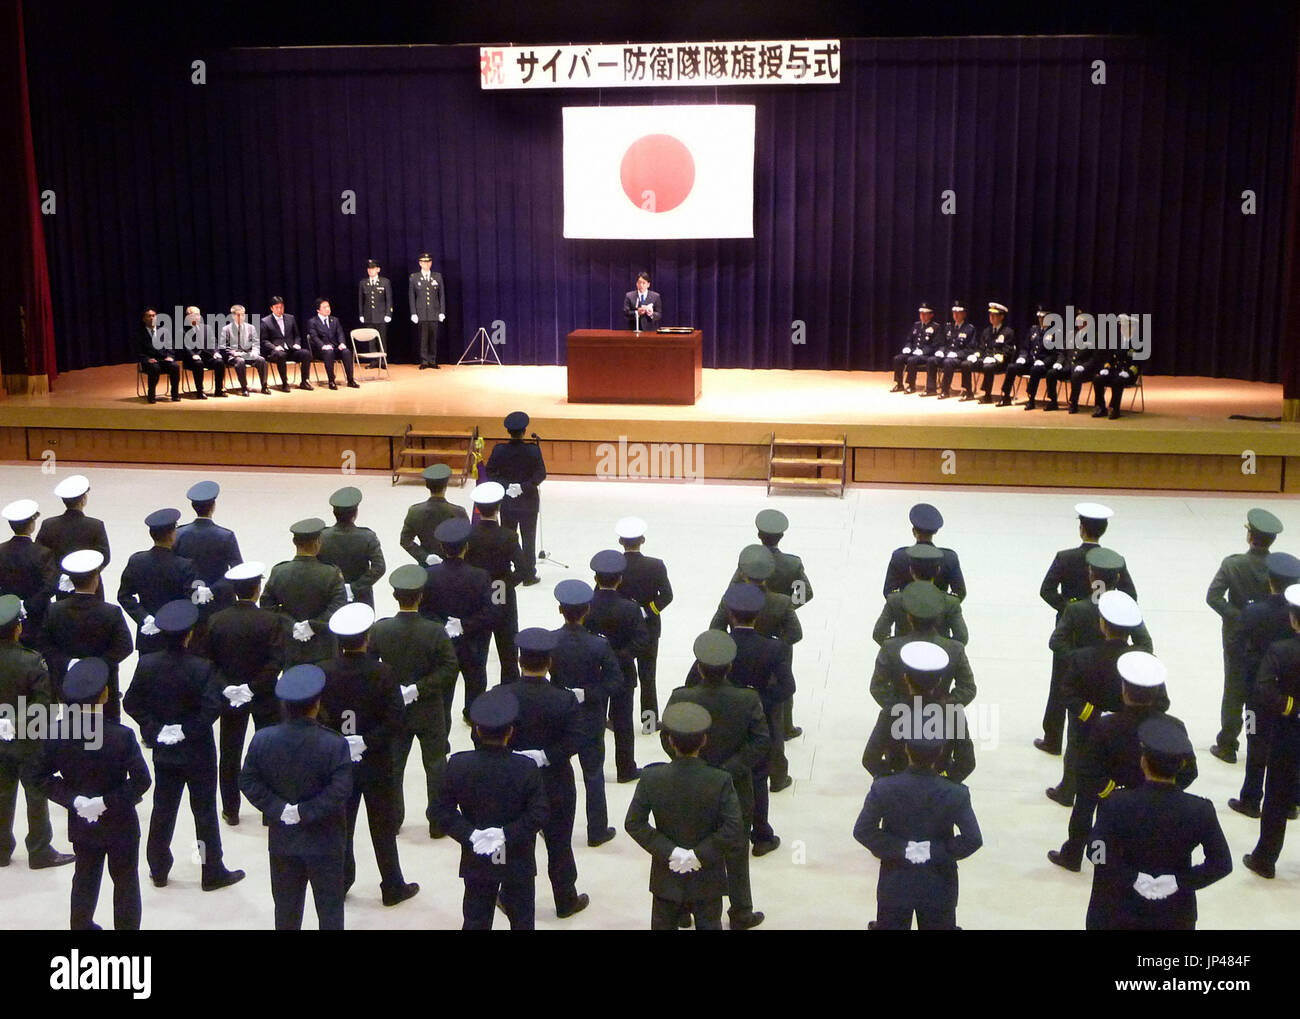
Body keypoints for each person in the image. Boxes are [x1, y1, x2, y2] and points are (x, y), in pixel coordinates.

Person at [122, 599, 244, 891]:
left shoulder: (147, 664)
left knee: (163, 810)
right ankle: (210, 869)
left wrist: (157, 729)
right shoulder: (203, 668)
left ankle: (158, 868)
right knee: (204, 813)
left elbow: (131, 703)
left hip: (165, 752)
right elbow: (211, 709)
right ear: (189, 635)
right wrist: (186, 731)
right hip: (198, 753)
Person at [34, 658, 151, 930]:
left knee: (84, 879)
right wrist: (106, 802)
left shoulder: (56, 734)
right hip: (121, 823)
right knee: (125, 881)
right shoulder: (121, 736)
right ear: (105, 695)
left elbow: (39, 778)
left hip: (82, 823)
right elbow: (142, 781)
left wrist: (74, 800)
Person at [663, 630, 769, 930]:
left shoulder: (681, 697)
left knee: (688, 845)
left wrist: (694, 763)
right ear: (730, 667)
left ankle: (683, 909)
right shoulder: (747, 698)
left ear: (698, 667)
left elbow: (666, 737)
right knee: (736, 848)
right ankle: (741, 911)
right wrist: (729, 768)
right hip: (734, 784)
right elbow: (761, 742)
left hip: (689, 784)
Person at [1051, 650, 1191, 874]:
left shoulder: (1106, 726)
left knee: (1085, 807)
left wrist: (1113, 792)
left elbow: (1088, 772)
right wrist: (1158, 789)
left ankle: (1073, 854)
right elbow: (1189, 771)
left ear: (1124, 690)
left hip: (1110, 799)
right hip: (1150, 802)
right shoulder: (1174, 726)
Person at [318, 603, 419, 906]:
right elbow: (396, 720)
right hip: (376, 761)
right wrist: (367, 741)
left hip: (339, 762)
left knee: (342, 825)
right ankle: (392, 884)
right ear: (367, 638)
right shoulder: (382, 672)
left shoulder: (324, 671)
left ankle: (341, 881)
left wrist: (342, 742)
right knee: (382, 825)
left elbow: (318, 716)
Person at [1087, 715, 1231, 929]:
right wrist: (1179, 882)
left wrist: (1132, 878)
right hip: (1173, 914)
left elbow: (1096, 852)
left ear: (1143, 762)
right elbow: (1221, 864)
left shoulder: (1115, 803)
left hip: (1119, 909)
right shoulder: (1200, 810)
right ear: (1181, 766)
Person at [239, 664, 353, 930]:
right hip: (325, 842)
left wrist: (280, 808)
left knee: (286, 914)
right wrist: (306, 811)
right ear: (317, 704)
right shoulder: (334, 744)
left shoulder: (263, 740)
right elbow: (340, 790)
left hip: (283, 841)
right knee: (330, 913)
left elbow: (247, 781)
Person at [435, 686, 548, 929]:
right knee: (523, 921)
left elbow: (439, 811)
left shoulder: (458, 764)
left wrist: (471, 834)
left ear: (477, 730)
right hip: (518, 858)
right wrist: (507, 834)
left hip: (477, 857)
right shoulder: (526, 767)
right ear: (510, 732)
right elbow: (539, 814)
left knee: (476, 920)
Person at [625, 702, 744, 930]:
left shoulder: (652, 777)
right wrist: (699, 854)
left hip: (667, 875)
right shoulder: (720, 780)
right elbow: (733, 826)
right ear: (704, 740)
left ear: (670, 741)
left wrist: (670, 851)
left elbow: (634, 823)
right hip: (707, 877)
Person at [1036, 503, 1138, 754]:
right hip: (1106, 632)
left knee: (1061, 684)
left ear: (1081, 528)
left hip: (1070, 631)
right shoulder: (1115, 561)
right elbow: (1131, 595)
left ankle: (1052, 738)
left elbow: (1047, 590)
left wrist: (1068, 607)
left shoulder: (1065, 557)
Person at [854, 736, 983, 930]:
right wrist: (931, 851)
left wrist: (903, 848)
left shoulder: (883, 787)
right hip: (939, 884)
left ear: (907, 750)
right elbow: (973, 839)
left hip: (895, 882)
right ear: (940, 753)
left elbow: (863, 830)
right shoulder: (956, 793)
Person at [504, 627, 589, 918]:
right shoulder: (564, 699)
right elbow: (576, 740)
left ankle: (512, 898)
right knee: (559, 842)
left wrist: (514, 756)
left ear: (519, 661)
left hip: (514, 783)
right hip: (556, 781)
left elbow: (483, 738)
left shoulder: (503, 695)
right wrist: (545, 755)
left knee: (516, 844)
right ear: (549, 662)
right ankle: (565, 900)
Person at [371, 564, 458, 838]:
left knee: (394, 766)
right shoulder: (435, 631)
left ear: (395, 596)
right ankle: (437, 822)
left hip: (394, 710)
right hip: (430, 708)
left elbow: (371, 668)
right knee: (435, 765)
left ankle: (393, 819)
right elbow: (450, 668)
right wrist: (419, 688)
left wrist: (393, 689)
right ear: (421, 596)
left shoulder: (380, 630)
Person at [1047, 590, 1146, 823]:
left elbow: (1066, 693)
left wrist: (1091, 713)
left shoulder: (1083, 658)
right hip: (1127, 736)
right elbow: (1162, 702)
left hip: (1087, 730)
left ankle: (1074, 844)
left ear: (1102, 624)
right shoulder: (1139, 661)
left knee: (1085, 800)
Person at [200, 561, 285, 826]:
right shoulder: (270, 620)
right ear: (257, 589)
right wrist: (253, 687)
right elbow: (276, 662)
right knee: (269, 752)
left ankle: (230, 809)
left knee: (229, 753)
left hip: (230, 698)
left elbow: (208, 662)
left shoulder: (216, 620)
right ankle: (269, 811)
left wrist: (227, 686)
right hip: (265, 696)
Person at [0, 594, 74, 869]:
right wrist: (16, 723)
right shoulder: (32, 661)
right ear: (18, 628)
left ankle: (1, 850)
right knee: (36, 793)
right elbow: (43, 705)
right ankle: (40, 850)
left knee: (2, 795)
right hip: (29, 740)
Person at [548, 579, 624, 847]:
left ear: (560, 610)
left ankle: (552, 826)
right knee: (593, 774)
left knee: (556, 773)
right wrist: (589, 694)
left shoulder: (551, 641)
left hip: (559, 716)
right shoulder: (599, 645)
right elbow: (616, 682)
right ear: (587, 610)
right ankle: (597, 830)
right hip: (590, 716)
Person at [718, 583, 793, 850]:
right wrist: (760, 701)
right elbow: (787, 687)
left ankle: (724, 829)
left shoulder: (719, 645)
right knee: (758, 777)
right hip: (759, 721)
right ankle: (761, 836)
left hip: (724, 722)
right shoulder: (774, 648)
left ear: (730, 615)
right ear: (758, 615)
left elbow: (694, 681)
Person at [1207, 507, 1283, 764]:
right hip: (1269, 640)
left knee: (1233, 691)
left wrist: (1239, 617)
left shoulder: (1233, 564)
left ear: (1250, 536)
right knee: (1258, 694)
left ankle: (1228, 744)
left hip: (1236, 639)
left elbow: (1214, 597)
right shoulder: (1278, 568)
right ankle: (1255, 741)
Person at [1230, 553, 1300, 818]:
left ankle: (1251, 798)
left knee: (1255, 742)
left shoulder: (1253, 611)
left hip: (1256, 694)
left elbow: (1235, 646)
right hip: (1291, 694)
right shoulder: (1294, 614)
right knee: (1292, 745)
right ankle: (1290, 801)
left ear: (1270, 580)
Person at [1243, 583, 1300, 879]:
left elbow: (1264, 690)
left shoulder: (1281, 651)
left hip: (1287, 733)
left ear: (1293, 619)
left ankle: (1265, 859)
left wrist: (1291, 707)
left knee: (1276, 799)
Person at [863, 641, 976, 784]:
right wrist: (944, 784)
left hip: (898, 782)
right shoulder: (954, 714)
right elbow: (966, 763)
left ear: (906, 678)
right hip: (939, 783)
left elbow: (870, 759)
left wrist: (892, 782)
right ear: (939, 680)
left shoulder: (891, 712)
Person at [41, 551, 132, 722]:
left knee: (73, 727)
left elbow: (45, 646)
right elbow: (125, 646)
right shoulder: (110, 612)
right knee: (109, 730)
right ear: (96, 580)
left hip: (70, 683)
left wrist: (68, 662)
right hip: (105, 683)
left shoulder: (54, 610)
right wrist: (99, 664)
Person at [586, 549, 650, 784]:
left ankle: (593, 769)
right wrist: (621, 655)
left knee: (595, 722)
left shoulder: (587, 605)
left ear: (595, 578)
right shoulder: (630, 608)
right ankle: (625, 769)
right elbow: (642, 641)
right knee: (623, 722)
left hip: (594, 672)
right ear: (620, 579)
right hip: (623, 671)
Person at [421, 518, 494, 724]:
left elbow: (423, 611)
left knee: (443, 693)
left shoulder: (429, 575)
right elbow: (489, 613)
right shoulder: (480, 576)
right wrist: (464, 624)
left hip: (442, 644)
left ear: (442, 548)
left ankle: (443, 726)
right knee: (475, 685)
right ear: (466, 547)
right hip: (473, 643)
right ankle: (474, 719)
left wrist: (443, 626)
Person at [870, 582, 976, 710]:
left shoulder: (890, 648)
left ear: (909, 617)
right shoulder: (955, 649)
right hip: (943, 715)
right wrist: (942, 706)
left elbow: (877, 687)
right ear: (939, 617)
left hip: (897, 716)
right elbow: (968, 688)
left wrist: (901, 708)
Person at [260, 518, 347, 666]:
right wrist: (313, 625)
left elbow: (267, 606)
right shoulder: (331, 573)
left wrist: (292, 625)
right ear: (317, 542)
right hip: (324, 648)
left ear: (294, 542)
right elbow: (338, 608)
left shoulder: (279, 571)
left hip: (292, 645)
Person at [116, 508, 203, 657]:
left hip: (149, 636)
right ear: (172, 535)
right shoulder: (185, 566)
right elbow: (192, 601)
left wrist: (144, 617)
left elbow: (124, 596)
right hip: (178, 636)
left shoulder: (136, 561)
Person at [614, 516, 672, 729]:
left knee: (620, 675)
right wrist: (647, 611)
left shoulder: (613, 566)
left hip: (621, 629)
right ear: (643, 540)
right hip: (649, 628)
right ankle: (649, 722)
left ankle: (617, 720)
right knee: (648, 677)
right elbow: (667, 596)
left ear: (621, 542)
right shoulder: (655, 565)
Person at [467, 481, 526, 683]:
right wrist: (504, 584)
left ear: (477, 508)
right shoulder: (508, 536)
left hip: (477, 598)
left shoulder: (469, 535)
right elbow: (524, 569)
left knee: (477, 657)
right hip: (502, 596)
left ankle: (476, 699)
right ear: (499, 507)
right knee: (508, 654)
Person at [173, 479, 243, 630]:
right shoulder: (226, 536)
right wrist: (213, 589)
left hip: (187, 601)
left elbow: (173, 567)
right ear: (213, 506)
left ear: (193, 507)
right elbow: (238, 571)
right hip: (220, 604)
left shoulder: (179, 534)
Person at [485, 411, 546, 585]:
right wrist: (523, 487)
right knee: (529, 538)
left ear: (508, 432)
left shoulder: (499, 450)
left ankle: (506, 570)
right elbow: (540, 474)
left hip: (507, 501)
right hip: (528, 501)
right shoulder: (533, 450)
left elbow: (490, 472)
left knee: (507, 536)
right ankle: (528, 574)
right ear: (524, 431)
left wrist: (506, 486)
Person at [873, 545, 968, 645]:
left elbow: (879, 633)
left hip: (903, 650)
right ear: (937, 570)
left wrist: (894, 647)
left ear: (911, 571)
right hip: (939, 651)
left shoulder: (895, 600)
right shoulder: (951, 603)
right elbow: (962, 637)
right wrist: (945, 649)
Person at [37, 474, 110, 600]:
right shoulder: (95, 525)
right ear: (83, 500)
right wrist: (87, 576)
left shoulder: (49, 525)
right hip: (91, 587)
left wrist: (59, 576)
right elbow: (105, 557)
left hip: (62, 585)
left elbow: (41, 556)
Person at [0, 498, 57, 649]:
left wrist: (7, 603)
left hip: (5, 616)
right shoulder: (43, 553)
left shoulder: (1, 551)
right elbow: (50, 586)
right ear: (32, 525)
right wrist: (28, 605)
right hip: (38, 618)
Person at [317, 487, 385, 608]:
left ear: (334, 513)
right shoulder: (367, 536)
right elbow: (379, 567)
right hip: (361, 597)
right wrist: (354, 587)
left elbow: (316, 566)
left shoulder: (321, 537)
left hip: (330, 597)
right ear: (355, 514)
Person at [882, 503, 965, 600]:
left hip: (906, 608)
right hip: (938, 608)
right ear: (935, 531)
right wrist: (944, 606)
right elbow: (960, 592)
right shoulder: (949, 558)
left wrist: (904, 606)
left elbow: (888, 592)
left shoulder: (899, 557)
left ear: (913, 531)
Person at [399, 463, 468, 565]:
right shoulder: (459, 512)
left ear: (427, 486)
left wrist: (425, 557)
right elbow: (466, 541)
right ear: (446, 486)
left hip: (427, 567)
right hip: (454, 565)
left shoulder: (415, 511)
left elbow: (405, 540)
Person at [259, 296, 312, 392]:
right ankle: (285, 383)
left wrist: (297, 343)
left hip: (291, 350)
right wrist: (274, 347)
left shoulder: (290, 318)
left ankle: (304, 381)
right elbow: (264, 341)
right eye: (277, 307)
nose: (279, 310)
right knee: (281, 355)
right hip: (276, 353)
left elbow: (297, 335)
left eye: (281, 307)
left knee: (306, 353)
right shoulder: (265, 321)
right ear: (271, 308)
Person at [890, 302, 941, 394]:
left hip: (926, 355)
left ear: (931, 315)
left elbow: (935, 345)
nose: (922, 316)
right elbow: (909, 340)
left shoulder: (935, 327)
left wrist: (923, 351)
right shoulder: (916, 325)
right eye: (921, 313)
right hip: (913, 352)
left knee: (912, 360)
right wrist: (908, 347)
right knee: (897, 358)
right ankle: (899, 384)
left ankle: (911, 385)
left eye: (925, 314)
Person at [307, 298, 358, 390]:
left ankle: (350, 380)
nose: (327, 309)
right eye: (324, 307)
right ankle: (331, 381)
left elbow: (340, 333)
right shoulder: (313, 322)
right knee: (329, 352)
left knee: (346, 352)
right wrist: (323, 346)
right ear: (318, 310)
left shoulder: (335, 320)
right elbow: (314, 337)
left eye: (328, 306)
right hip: (321, 350)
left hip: (335, 347)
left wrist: (342, 343)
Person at [216, 305, 265, 396]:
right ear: (233, 316)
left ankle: (264, 386)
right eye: (238, 315)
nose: (241, 317)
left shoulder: (251, 327)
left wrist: (255, 352)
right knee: (240, 361)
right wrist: (235, 353)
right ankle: (244, 387)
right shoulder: (226, 329)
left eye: (243, 315)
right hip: (234, 356)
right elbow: (224, 347)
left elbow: (256, 343)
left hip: (248, 354)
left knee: (261, 360)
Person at [135, 307, 181, 402]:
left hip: (164, 360)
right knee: (154, 368)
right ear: (144, 319)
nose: (152, 318)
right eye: (149, 316)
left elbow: (170, 346)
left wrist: (170, 356)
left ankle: (175, 394)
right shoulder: (139, 333)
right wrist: (147, 359)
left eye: (154, 316)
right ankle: (151, 395)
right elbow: (138, 351)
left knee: (175, 366)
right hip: (149, 362)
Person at [935, 300, 978, 400]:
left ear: (964, 314)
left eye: (958, 312)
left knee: (948, 362)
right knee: (932, 360)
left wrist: (957, 354)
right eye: (954, 312)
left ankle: (945, 391)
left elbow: (971, 348)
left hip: (960, 357)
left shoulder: (969, 329)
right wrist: (941, 351)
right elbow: (942, 343)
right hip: (947, 355)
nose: (956, 315)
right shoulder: (948, 327)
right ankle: (930, 388)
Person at [409, 253, 445, 369]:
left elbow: (441, 295)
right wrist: (413, 313)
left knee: (433, 338)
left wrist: (442, 311)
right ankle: (424, 361)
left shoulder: (437, 276)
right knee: (423, 338)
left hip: (434, 312)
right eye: (424, 262)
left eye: (428, 262)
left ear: (431, 263)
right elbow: (411, 296)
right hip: (421, 313)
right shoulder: (414, 277)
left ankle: (432, 360)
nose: (426, 264)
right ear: (420, 263)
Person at [975, 301, 1015, 404]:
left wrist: (995, 357)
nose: (991, 317)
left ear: (1002, 317)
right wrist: (977, 355)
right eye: (990, 314)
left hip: (1000, 362)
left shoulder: (1008, 332)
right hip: (986, 360)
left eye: (995, 315)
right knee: (967, 364)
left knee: (988, 367)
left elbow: (1008, 350)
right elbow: (981, 347)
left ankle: (987, 395)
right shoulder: (986, 331)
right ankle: (968, 391)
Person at [358, 259, 393, 352]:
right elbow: (361, 300)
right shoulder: (363, 283)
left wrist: (388, 314)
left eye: (373, 268)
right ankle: (373, 359)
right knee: (371, 341)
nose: (370, 270)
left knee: (382, 340)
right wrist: (361, 314)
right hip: (368, 316)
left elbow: (389, 299)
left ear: (378, 269)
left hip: (381, 316)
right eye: (369, 269)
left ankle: (382, 358)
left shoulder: (385, 282)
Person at [176, 306, 210, 398]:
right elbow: (184, 347)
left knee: (219, 362)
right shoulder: (182, 330)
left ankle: (219, 390)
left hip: (206, 357)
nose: (196, 317)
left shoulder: (206, 328)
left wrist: (216, 352)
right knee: (198, 363)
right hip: (191, 360)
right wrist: (192, 354)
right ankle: (200, 391)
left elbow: (213, 342)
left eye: (198, 315)